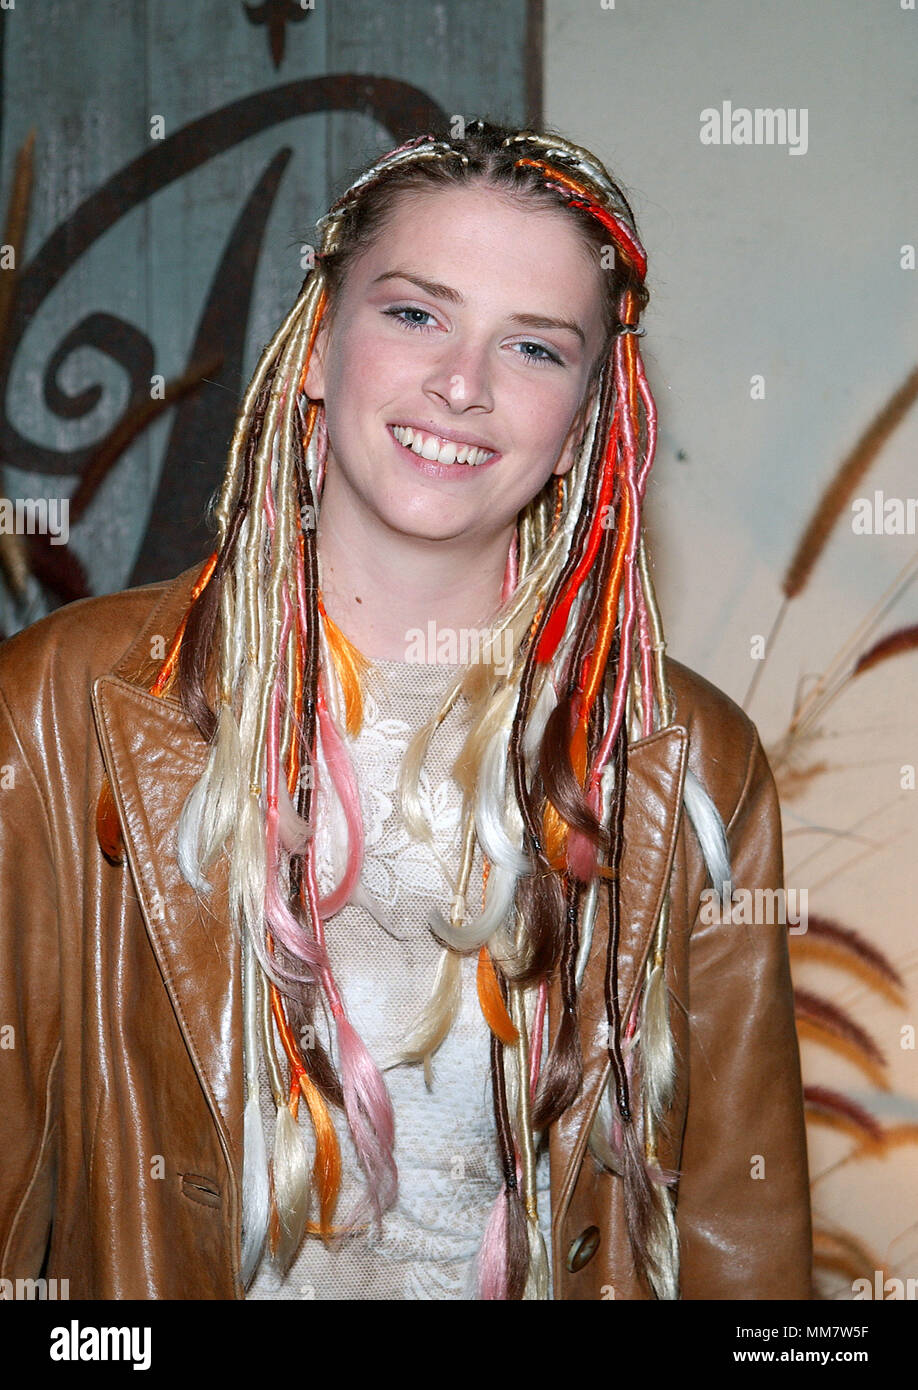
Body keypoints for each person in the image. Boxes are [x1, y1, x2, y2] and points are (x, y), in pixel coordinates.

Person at [0, 120, 812, 1300]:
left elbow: (746, 1232)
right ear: (319, 344)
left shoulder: (684, 759)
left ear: (586, 416)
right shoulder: (60, 708)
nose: (464, 384)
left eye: (534, 347)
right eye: (416, 313)